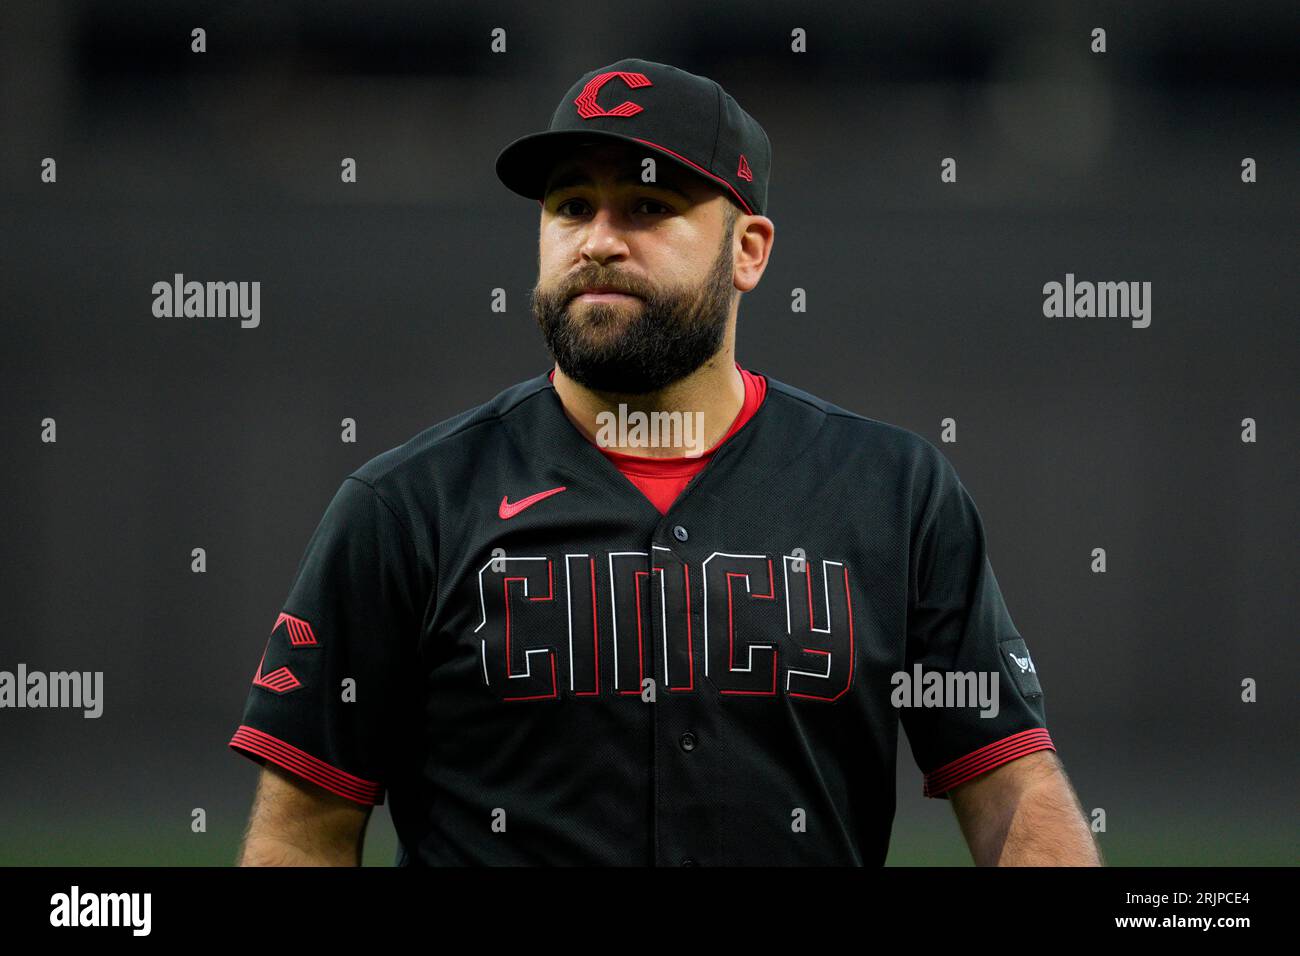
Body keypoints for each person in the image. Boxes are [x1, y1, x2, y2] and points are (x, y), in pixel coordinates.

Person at [229, 58, 1101, 866]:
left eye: (648, 208)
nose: (598, 240)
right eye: (570, 206)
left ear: (749, 251)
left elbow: (1011, 786)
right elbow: (303, 834)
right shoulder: (407, 505)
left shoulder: (893, 493)